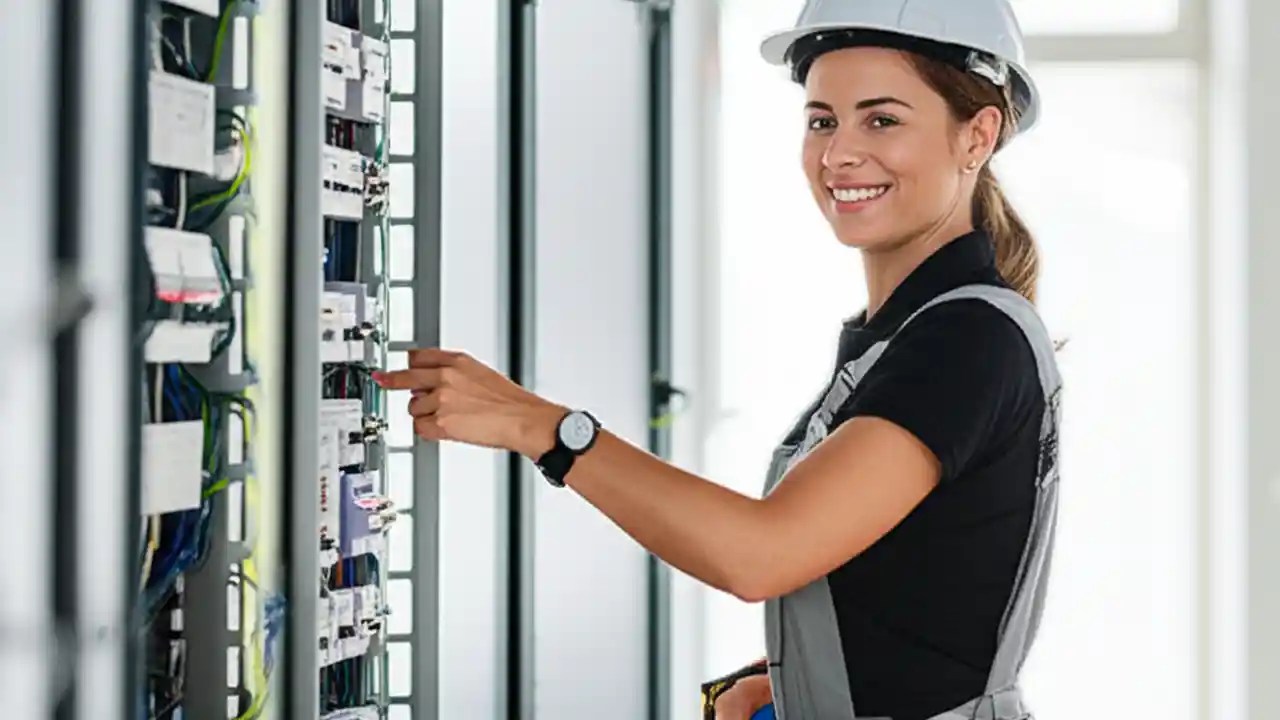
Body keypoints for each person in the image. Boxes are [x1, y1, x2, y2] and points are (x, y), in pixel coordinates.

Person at [372, 0, 1063, 718]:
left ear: (977, 136)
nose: (839, 154)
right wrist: (789, 679)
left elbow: (762, 554)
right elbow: (924, 596)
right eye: (823, 120)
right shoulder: (915, 332)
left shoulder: (965, 341)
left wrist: (546, 430)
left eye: (881, 119)